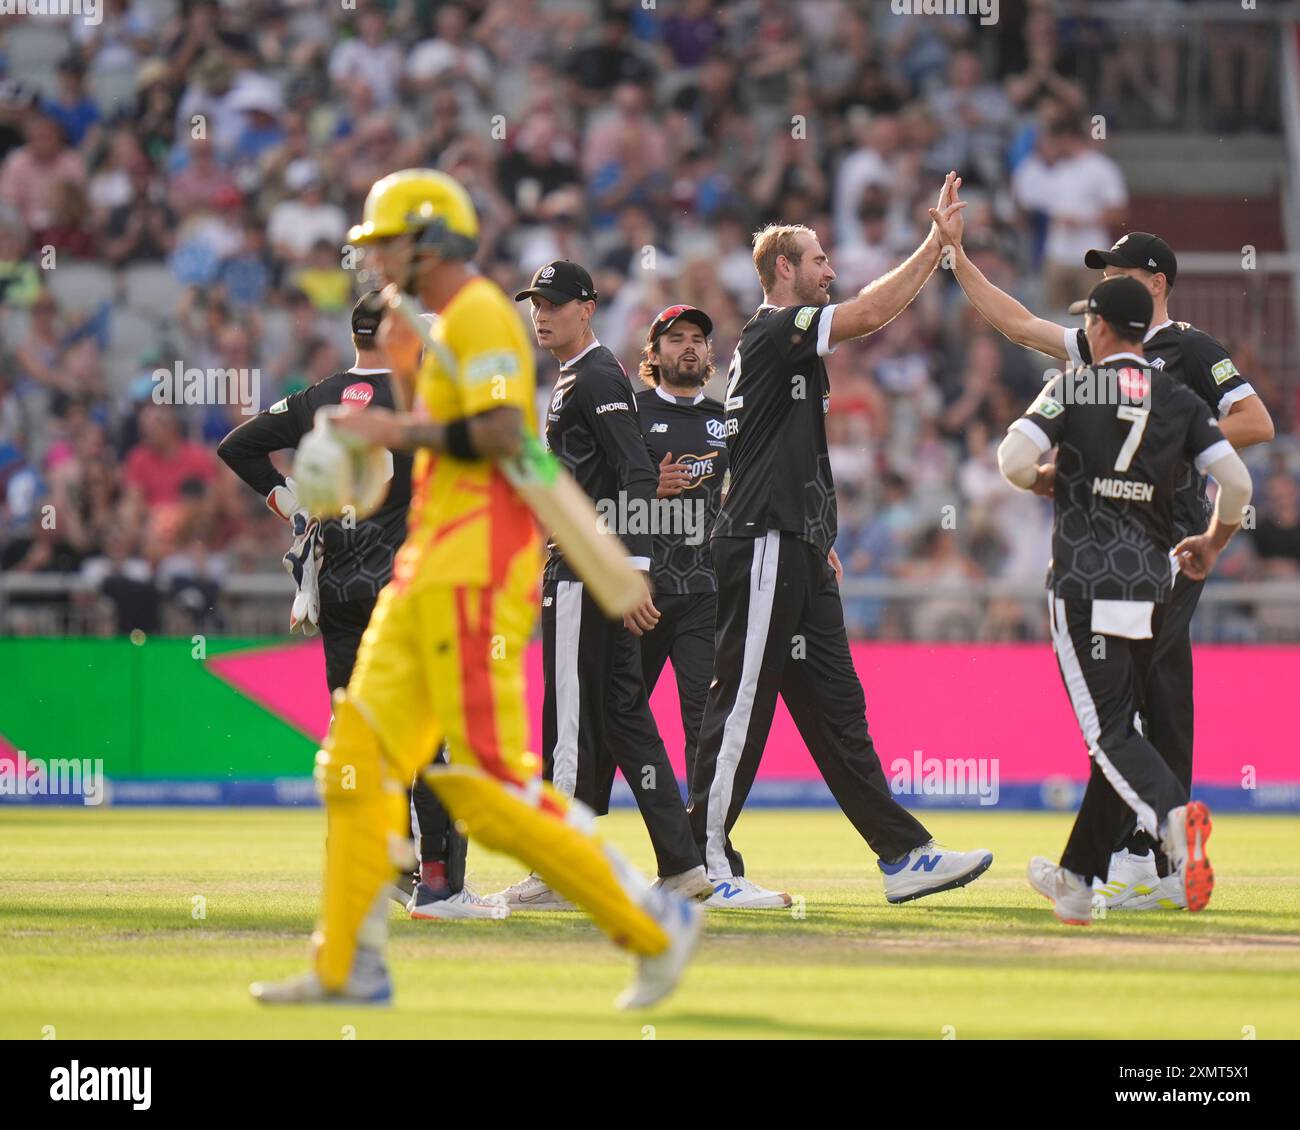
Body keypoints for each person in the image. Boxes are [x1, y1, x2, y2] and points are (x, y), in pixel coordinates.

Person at [250, 171, 700, 1010]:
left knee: (488, 789)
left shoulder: (484, 312)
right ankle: (348, 964)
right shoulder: (431, 325)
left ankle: (652, 921)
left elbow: (498, 434)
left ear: (429, 240)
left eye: (386, 241)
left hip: (475, 570)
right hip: (428, 567)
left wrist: (392, 425)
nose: (373, 256)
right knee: (352, 761)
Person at [937, 192, 1274, 908]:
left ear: (1153, 283)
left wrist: (1162, 458)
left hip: (1155, 546)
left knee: (1127, 710)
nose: (1097, 289)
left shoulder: (1183, 349)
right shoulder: (1102, 354)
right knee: (1147, 702)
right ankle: (1105, 868)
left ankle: (1150, 851)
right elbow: (1018, 321)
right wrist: (955, 257)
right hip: (1161, 554)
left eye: (1114, 272)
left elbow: (1256, 420)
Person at [688, 173, 993, 907]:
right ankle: (700, 868)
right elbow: (869, 314)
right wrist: (935, 247)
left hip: (795, 545)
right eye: (818, 259)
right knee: (743, 700)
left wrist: (818, 533)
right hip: (762, 541)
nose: (830, 269)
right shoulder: (774, 329)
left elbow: (778, 454)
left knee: (835, 708)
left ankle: (903, 854)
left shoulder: (786, 352)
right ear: (783, 271)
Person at [217, 291, 501, 922]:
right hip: (403, 589)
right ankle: (442, 886)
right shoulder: (420, 398)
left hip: (339, 589)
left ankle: (384, 868)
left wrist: (289, 507)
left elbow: (236, 446)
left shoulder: (317, 397)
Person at [993, 275, 1252, 923]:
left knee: (1105, 731)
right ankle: (1079, 880)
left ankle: (1173, 816)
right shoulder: (1179, 397)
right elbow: (1237, 482)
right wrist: (1214, 541)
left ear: (1102, 328)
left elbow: (1012, 460)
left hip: (1084, 577)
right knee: (1122, 728)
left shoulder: (1077, 384)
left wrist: (1048, 479)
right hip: (1151, 581)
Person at [489, 262, 712, 911]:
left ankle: (561, 867)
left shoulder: (593, 375)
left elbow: (637, 473)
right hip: (591, 566)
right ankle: (681, 865)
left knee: (566, 722)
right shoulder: (579, 378)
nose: (543, 313)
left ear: (588, 308)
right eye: (536, 303)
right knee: (624, 718)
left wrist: (633, 572)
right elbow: (630, 472)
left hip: (584, 571)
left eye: (555, 303)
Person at [633, 305, 726, 821]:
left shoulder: (725, 420)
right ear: (654, 353)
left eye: (696, 338)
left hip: (705, 593)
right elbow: (597, 498)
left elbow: (750, 494)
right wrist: (648, 488)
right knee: (617, 717)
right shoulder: (628, 412)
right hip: (640, 593)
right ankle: (569, 853)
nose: (688, 346)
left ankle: (707, 848)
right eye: (674, 339)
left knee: (705, 721)